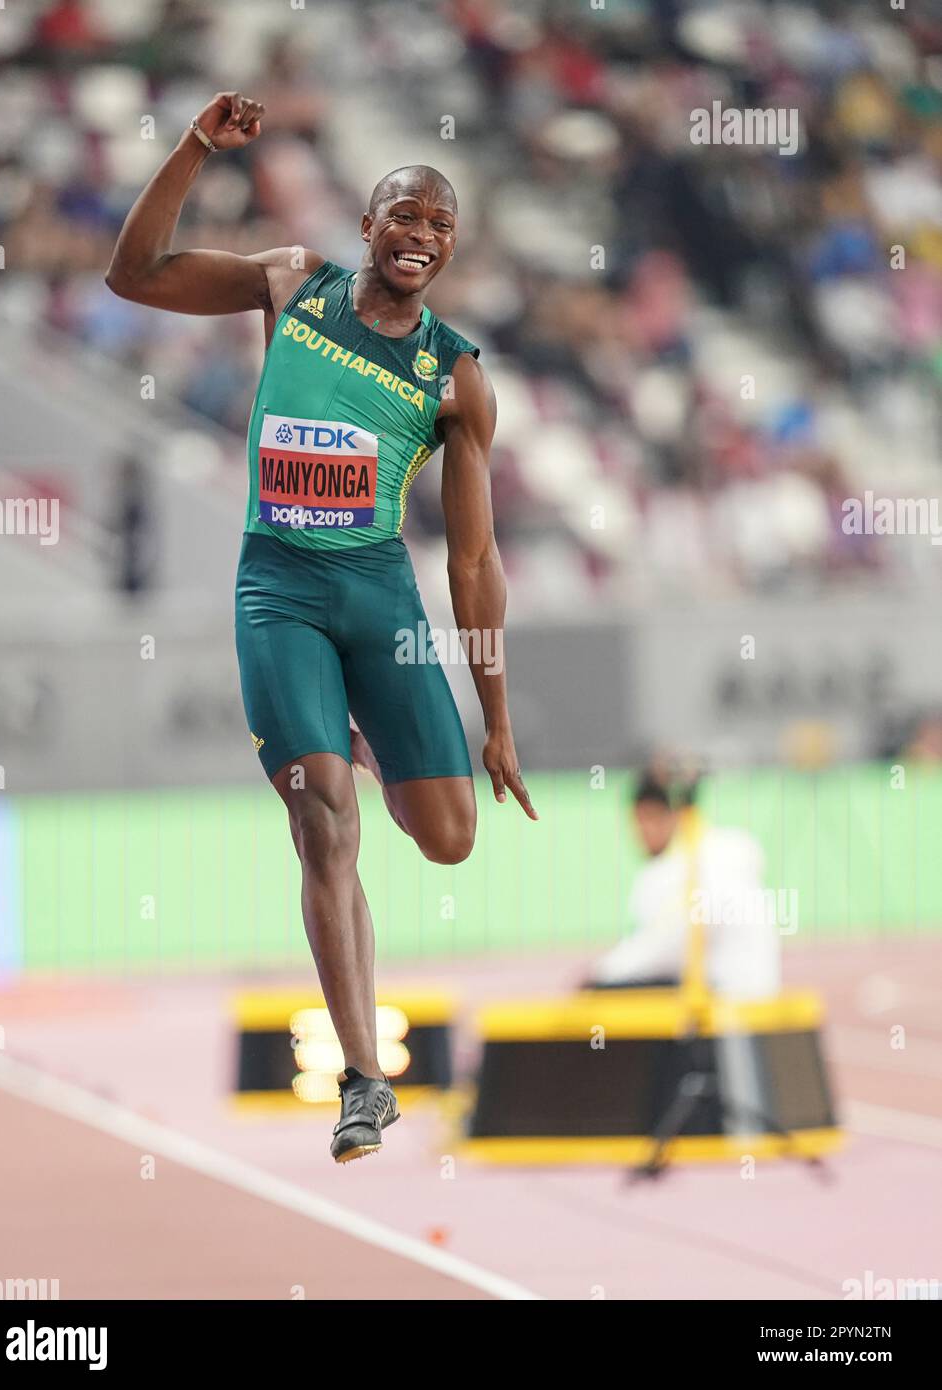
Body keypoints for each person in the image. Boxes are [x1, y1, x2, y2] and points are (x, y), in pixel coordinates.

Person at [106, 91, 537, 1162]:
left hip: (380, 596)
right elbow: (135, 273)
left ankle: (364, 731)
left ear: (449, 250)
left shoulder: (456, 377)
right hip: (279, 591)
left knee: (445, 838)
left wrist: (494, 715)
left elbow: (476, 560)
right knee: (325, 824)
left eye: (440, 226)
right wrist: (199, 144)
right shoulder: (292, 282)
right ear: (366, 226)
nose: (420, 236)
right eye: (404, 215)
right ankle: (362, 1077)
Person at [585, 771, 781, 999]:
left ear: (675, 816)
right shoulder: (721, 851)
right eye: (639, 821)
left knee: (604, 993)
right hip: (745, 994)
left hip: (725, 1003)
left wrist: (604, 971)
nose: (644, 831)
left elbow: (668, 944)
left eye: (652, 818)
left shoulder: (687, 868)